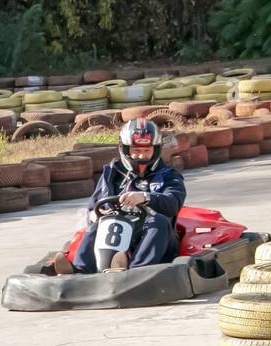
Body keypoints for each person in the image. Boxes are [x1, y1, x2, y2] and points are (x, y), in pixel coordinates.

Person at [52, 117, 187, 274]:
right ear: (125, 149)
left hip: (158, 238)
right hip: (120, 232)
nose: (142, 156)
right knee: (95, 226)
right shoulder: (112, 173)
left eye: (146, 151)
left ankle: (136, 270)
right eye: (136, 151)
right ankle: (80, 271)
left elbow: (173, 203)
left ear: (155, 150)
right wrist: (97, 215)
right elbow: (95, 205)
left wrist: (146, 197)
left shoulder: (169, 176)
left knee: (159, 221)